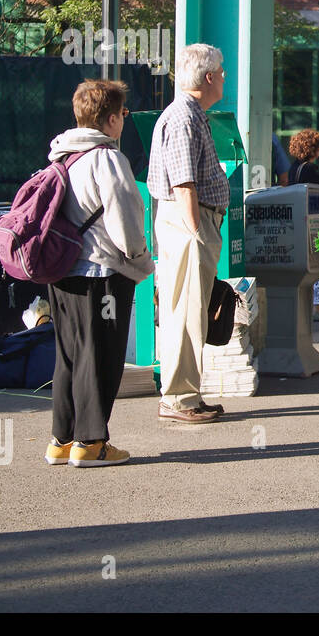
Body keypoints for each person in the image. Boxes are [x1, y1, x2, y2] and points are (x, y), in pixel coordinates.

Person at [45, 80, 154, 466]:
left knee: (70, 355)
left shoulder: (61, 156)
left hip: (62, 271)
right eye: (123, 114)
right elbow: (125, 218)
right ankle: (92, 442)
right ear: (111, 119)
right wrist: (140, 257)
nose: (124, 120)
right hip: (102, 271)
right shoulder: (108, 159)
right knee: (102, 355)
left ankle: (62, 439)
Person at [147, 42, 230, 424]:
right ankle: (179, 398)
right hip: (187, 223)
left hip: (190, 221)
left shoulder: (191, 114)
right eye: (222, 70)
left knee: (191, 311)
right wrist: (197, 231)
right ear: (209, 76)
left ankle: (187, 394)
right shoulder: (183, 117)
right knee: (184, 311)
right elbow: (183, 184)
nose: (225, 77)